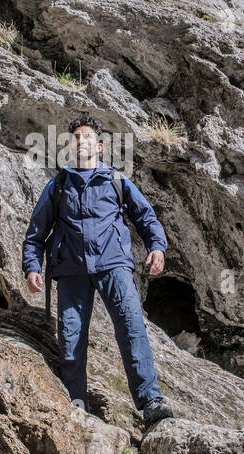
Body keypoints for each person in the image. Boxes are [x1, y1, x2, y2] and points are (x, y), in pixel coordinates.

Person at [22, 114, 175, 428]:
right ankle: (77, 406)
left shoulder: (116, 180)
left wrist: (157, 246)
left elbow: (145, 217)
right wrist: (31, 266)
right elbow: (36, 230)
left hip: (113, 265)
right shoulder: (59, 184)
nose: (81, 142)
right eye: (76, 137)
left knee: (132, 329)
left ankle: (151, 402)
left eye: (87, 137)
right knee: (70, 339)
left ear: (100, 145)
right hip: (70, 272)